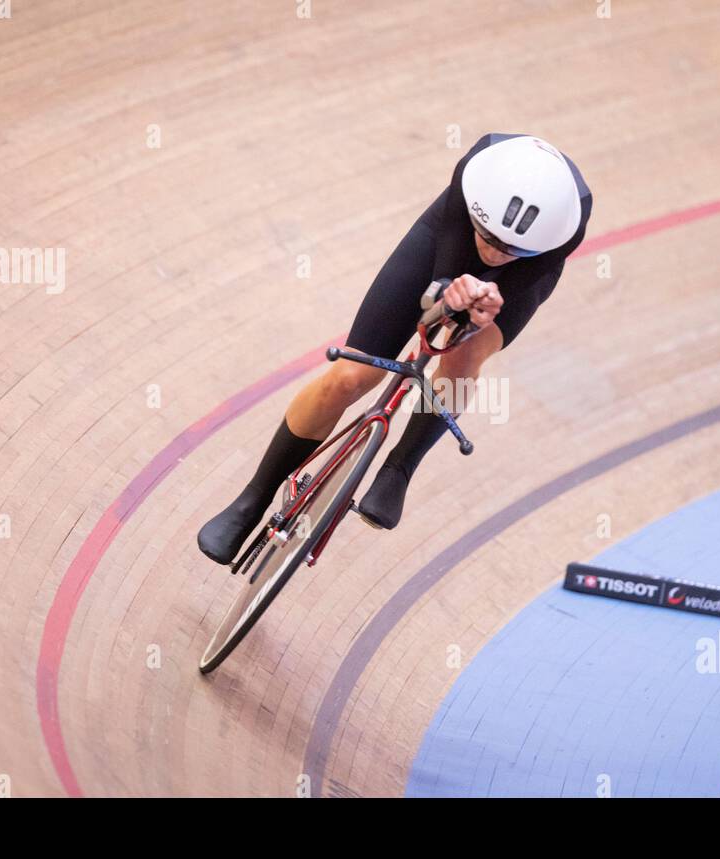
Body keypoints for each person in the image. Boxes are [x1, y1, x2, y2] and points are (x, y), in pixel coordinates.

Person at [198, 133, 593, 564]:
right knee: (353, 374)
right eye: (489, 238)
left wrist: (481, 312)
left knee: (465, 356)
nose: (495, 253)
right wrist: (445, 294)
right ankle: (251, 500)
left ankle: (400, 466)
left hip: (523, 279)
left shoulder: (565, 226)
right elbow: (436, 291)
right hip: (443, 241)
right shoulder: (476, 170)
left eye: (510, 248)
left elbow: (500, 290)